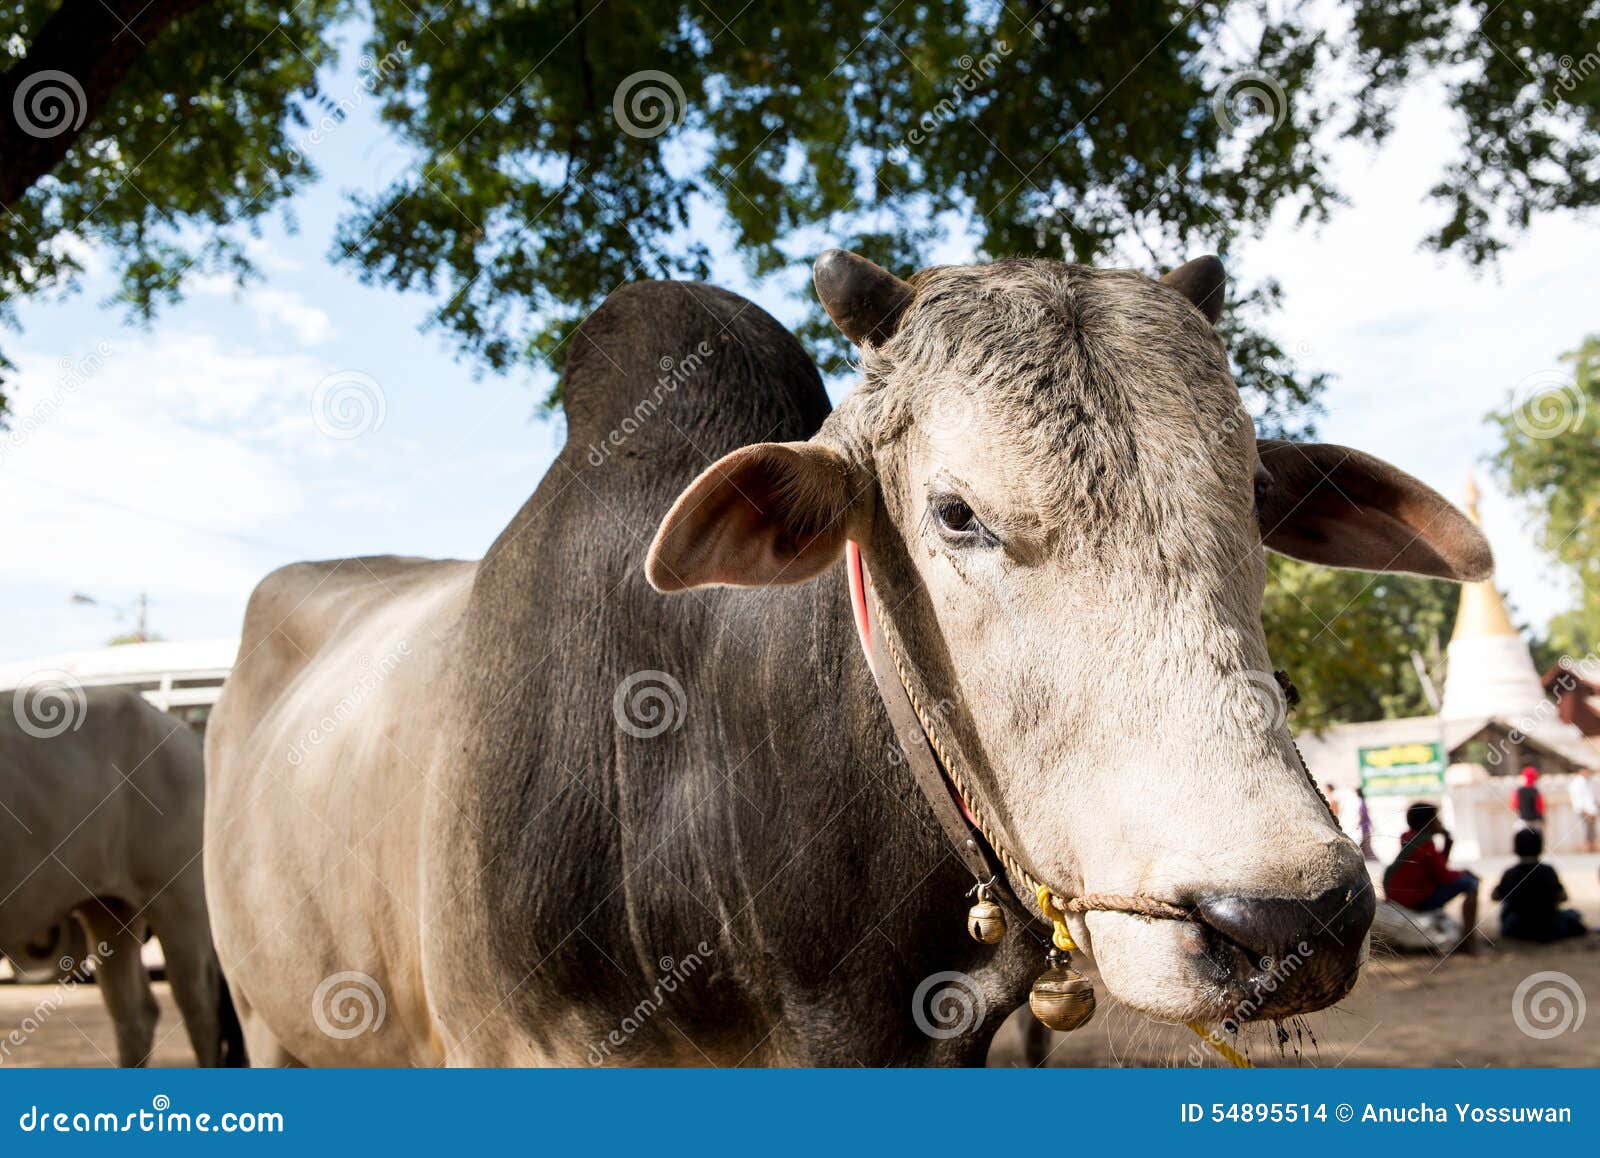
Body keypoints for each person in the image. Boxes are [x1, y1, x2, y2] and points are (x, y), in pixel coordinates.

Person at [1384, 801, 1480, 953]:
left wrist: (1448, 844)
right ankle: (1469, 940)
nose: (1440, 822)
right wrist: (1464, 873)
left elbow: (1437, 868)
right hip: (1415, 900)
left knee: (1465, 878)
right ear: (1429, 823)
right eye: (1437, 819)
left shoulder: (1410, 839)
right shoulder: (1425, 845)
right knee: (1470, 883)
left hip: (1401, 897)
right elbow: (1444, 877)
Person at [1491, 827, 1587, 942]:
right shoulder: (1548, 871)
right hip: (1547, 923)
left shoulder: (1510, 873)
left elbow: (1495, 896)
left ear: (1515, 847)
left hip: (1518, 926)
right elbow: (1563, 897)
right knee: (1574, 914)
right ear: (1540, 847)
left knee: (1506, 908)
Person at [1571, 767, 1598, 854]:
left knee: (1592, 829)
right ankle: (1586, 846)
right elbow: (1577, 798)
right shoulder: (1577, 783)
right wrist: (1584, 810)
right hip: (1583, 810)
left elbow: (1591, 797)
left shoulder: (1589, 782)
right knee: (1585, 829)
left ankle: (1592, 846)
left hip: (1592, 809)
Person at [1510, 766, 1544, 831]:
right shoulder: (1536, 792)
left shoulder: (1519, 791)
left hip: (1522, 823)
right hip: (1535, 823)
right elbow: (1540, 808)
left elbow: (1514, 806)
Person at [1356, 787, 1375, 861]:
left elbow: (1363, 815)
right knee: (1365, 841)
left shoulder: (1362, 804)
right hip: (1365, 825)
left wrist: (1358, 823)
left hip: (1364, 826)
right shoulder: (1363, 803)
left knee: (1365, 841)